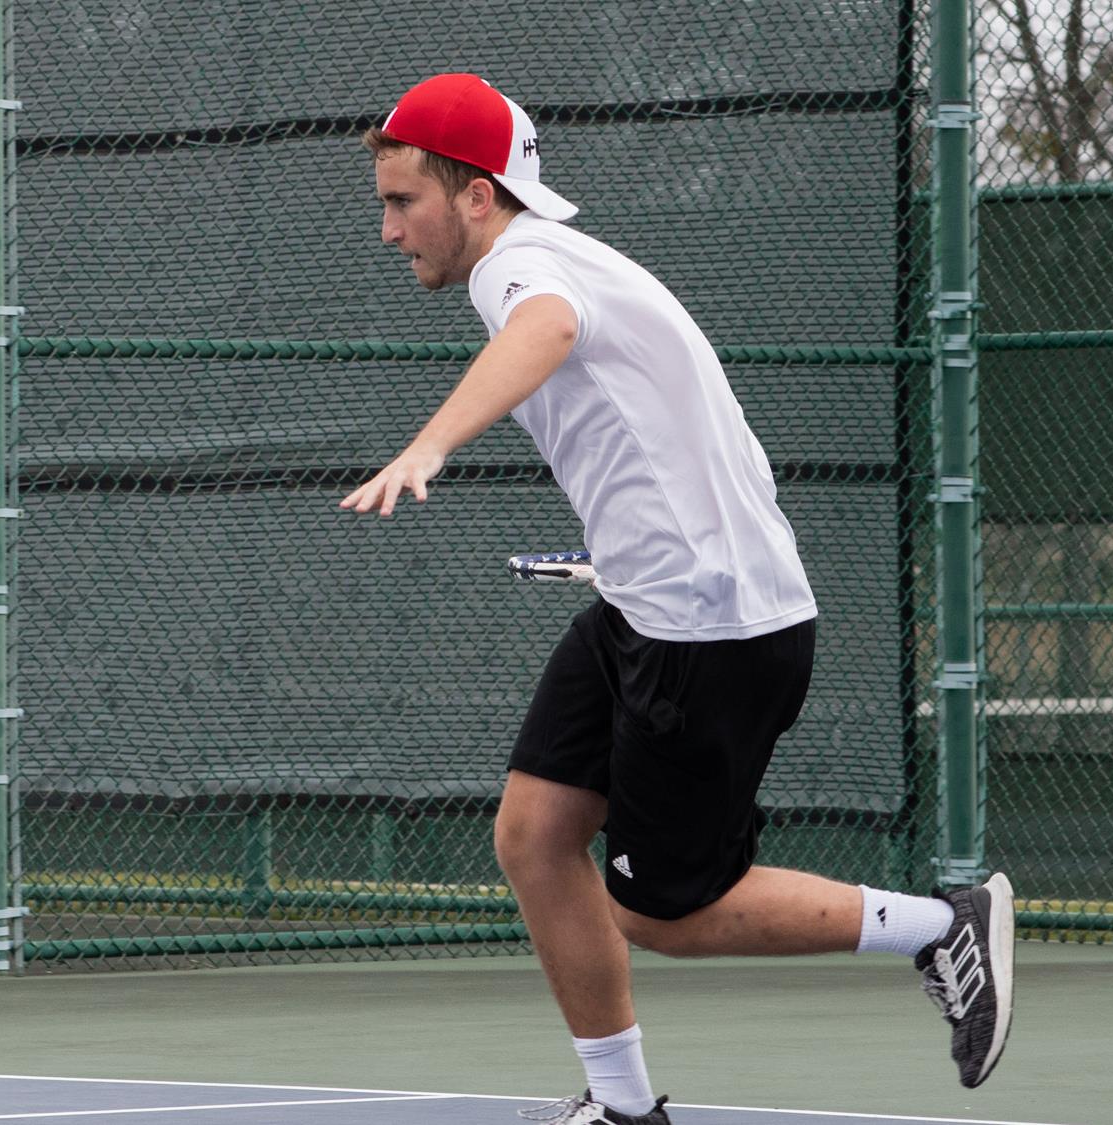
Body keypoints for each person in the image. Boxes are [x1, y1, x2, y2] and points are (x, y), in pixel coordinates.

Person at [341, 73, 1015, 1123]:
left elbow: (547, 334)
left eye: (400, 201)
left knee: (665, 913)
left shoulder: (521, 269)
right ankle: (621, 1109)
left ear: (474, 196)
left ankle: (936, 925)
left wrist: (429, 444)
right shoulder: (557, 257)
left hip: (713, 632)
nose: (387, 231)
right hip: (649, 606)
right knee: (531, 834)